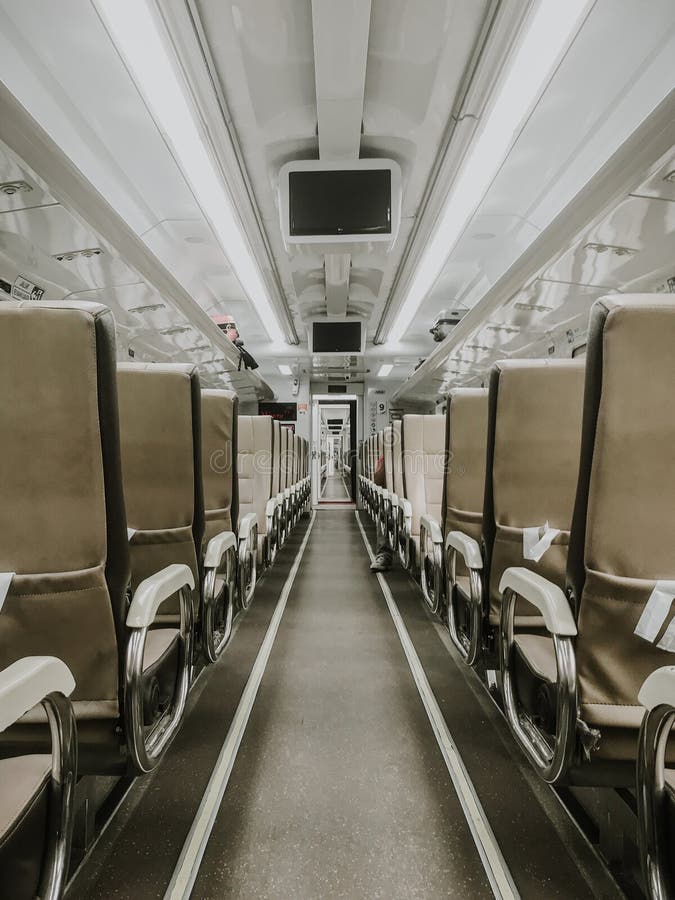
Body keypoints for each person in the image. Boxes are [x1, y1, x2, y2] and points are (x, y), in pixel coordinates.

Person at [370, 452, 394, 572]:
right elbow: (378, 480)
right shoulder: (389, 454)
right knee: (384, 507)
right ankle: (384, 554)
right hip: (396, 499)